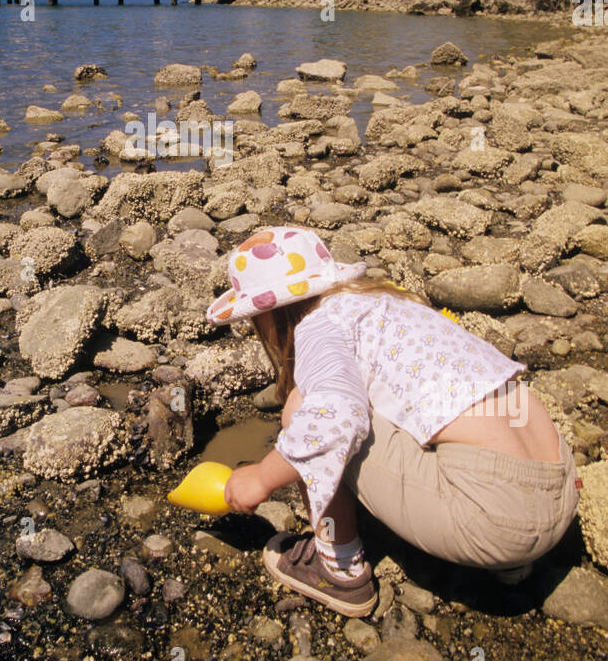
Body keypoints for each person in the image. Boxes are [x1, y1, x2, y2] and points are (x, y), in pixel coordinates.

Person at [205, 226, 580, 618]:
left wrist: (262, 477)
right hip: (560, 484)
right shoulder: (383, 302)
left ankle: (339, 570)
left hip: (495, 518)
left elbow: (333, 417)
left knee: (304, 409)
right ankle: (512, 565)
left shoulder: (318, 326)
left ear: (270, 315)